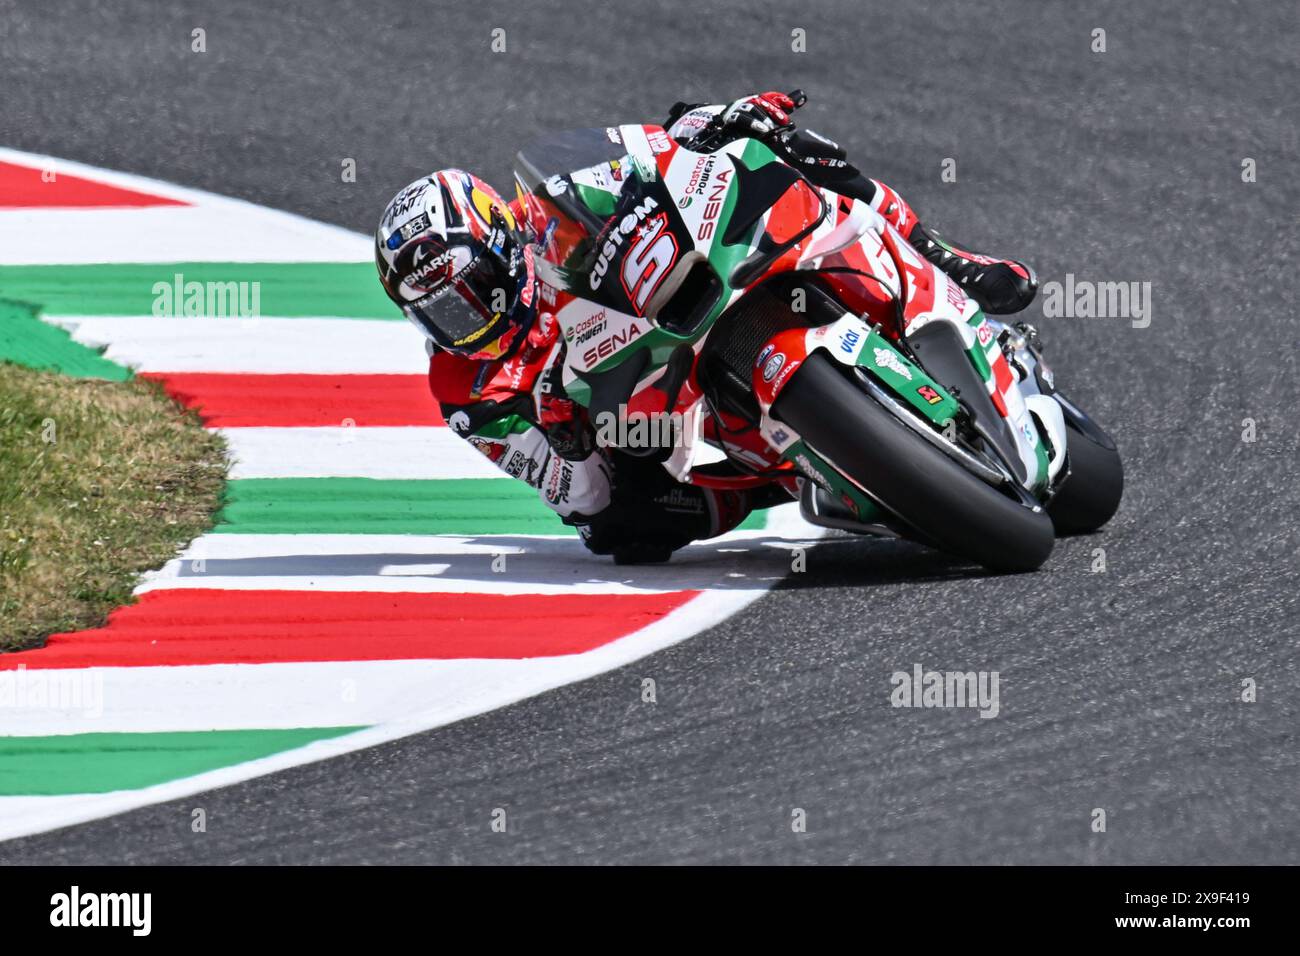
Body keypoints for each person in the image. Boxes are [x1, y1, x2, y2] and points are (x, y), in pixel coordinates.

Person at [374, 92, 1038, 563]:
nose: (470, 316)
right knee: (620, 532)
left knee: (779, 144)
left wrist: (712, 122)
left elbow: (647, 153)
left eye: (474, 289)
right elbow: (574, 494)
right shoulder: (468, 391)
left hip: (670, 301)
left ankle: (946, 258)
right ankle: (783, 476)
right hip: (643, 414)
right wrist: (568, 442)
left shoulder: (547, 213)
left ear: (501, 240)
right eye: (444, 312)